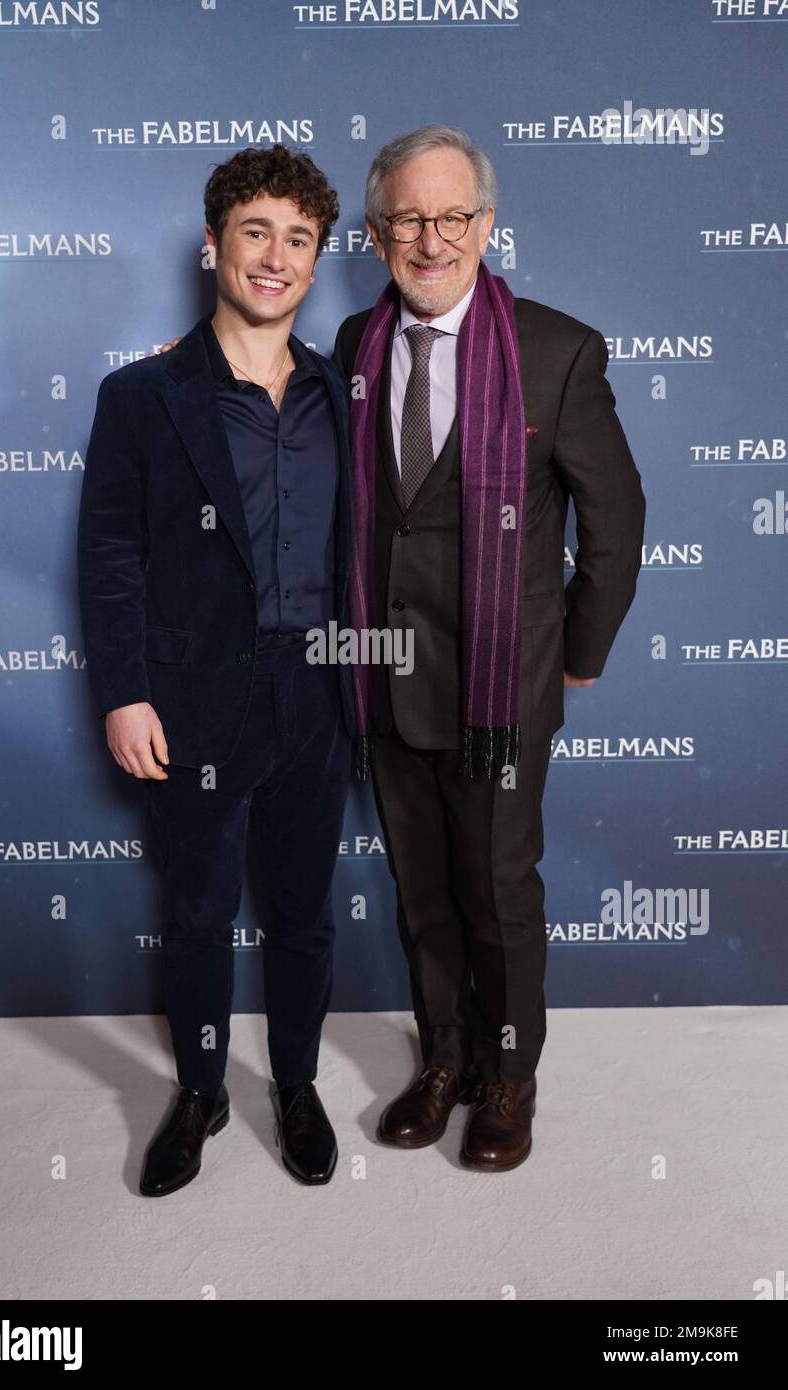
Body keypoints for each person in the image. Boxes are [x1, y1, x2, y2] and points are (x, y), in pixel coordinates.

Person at [332, 125, 646, 1170]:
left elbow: (613, 516)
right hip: (384, 676)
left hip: (498, 688)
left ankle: (507, 1076)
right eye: (408, 219)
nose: (432, 239)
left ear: (486, 225)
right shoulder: (351, 345)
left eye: (452, 215)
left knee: (498, 893)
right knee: (421, 890)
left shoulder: (557, 351)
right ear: (377, 233)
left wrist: (580, 650)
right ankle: (445, 1059)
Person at [77, 145, 354, 1195]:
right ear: (213, 246)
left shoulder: (343, 393)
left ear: (316, 259)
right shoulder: (143, 395)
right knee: (196, 910)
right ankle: (199, 1088)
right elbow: (110, 553)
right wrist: (122, 689)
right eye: (255, 233)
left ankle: (293, 1082)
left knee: (304, 911)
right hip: (190, 695)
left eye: (297, 240)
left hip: (319, 692)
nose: (274, 257)